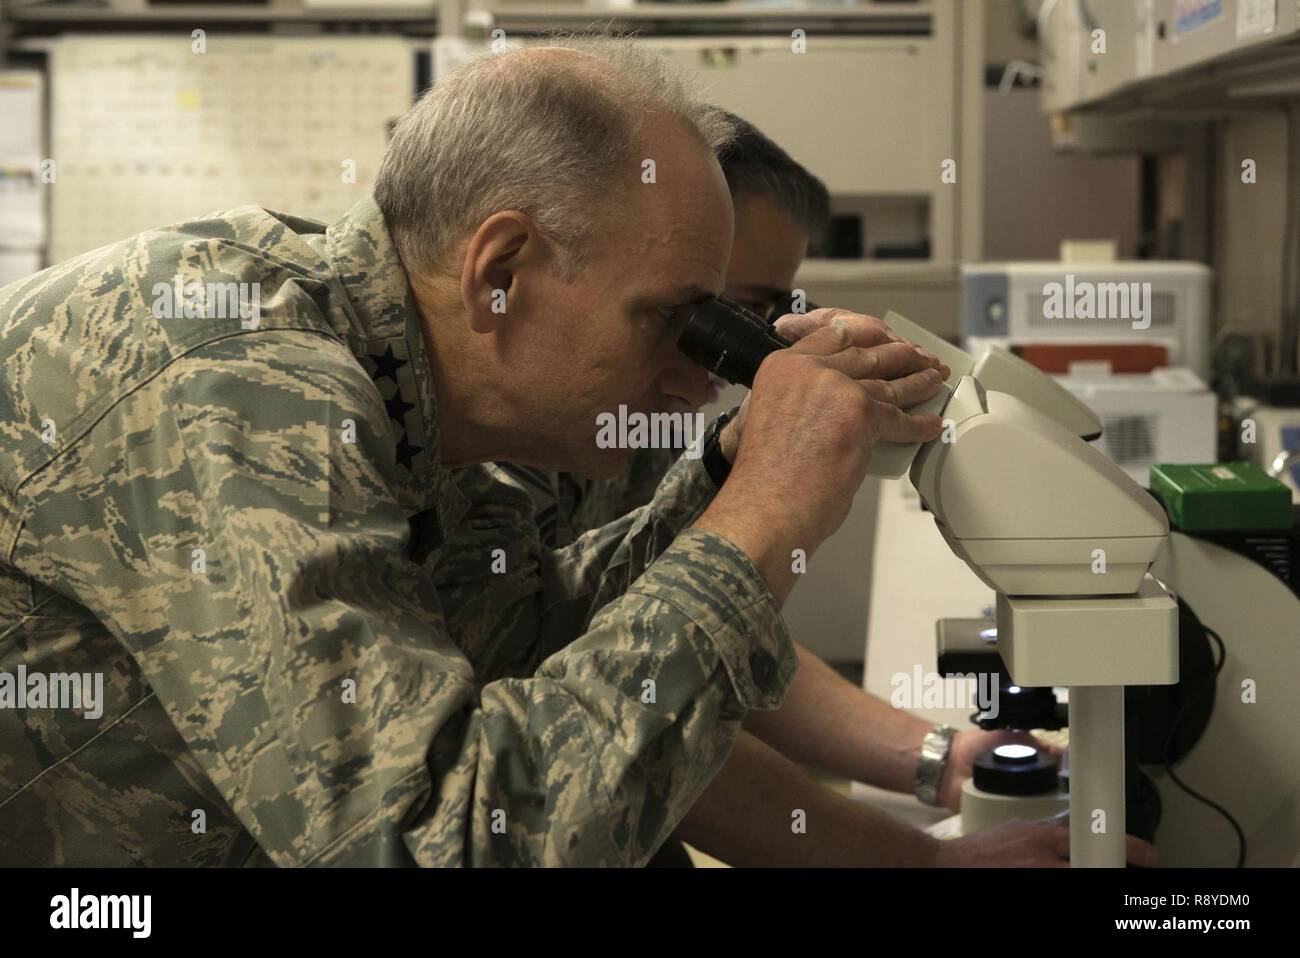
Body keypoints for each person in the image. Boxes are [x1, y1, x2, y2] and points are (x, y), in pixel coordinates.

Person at [0, 38, 1150, 868]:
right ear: (498, 272)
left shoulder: (447, 397)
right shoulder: (235, 383)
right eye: (674, 318)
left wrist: (732, 469)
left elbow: (542, 647)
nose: (701, 373)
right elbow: (436, 842)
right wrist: (760, 518)